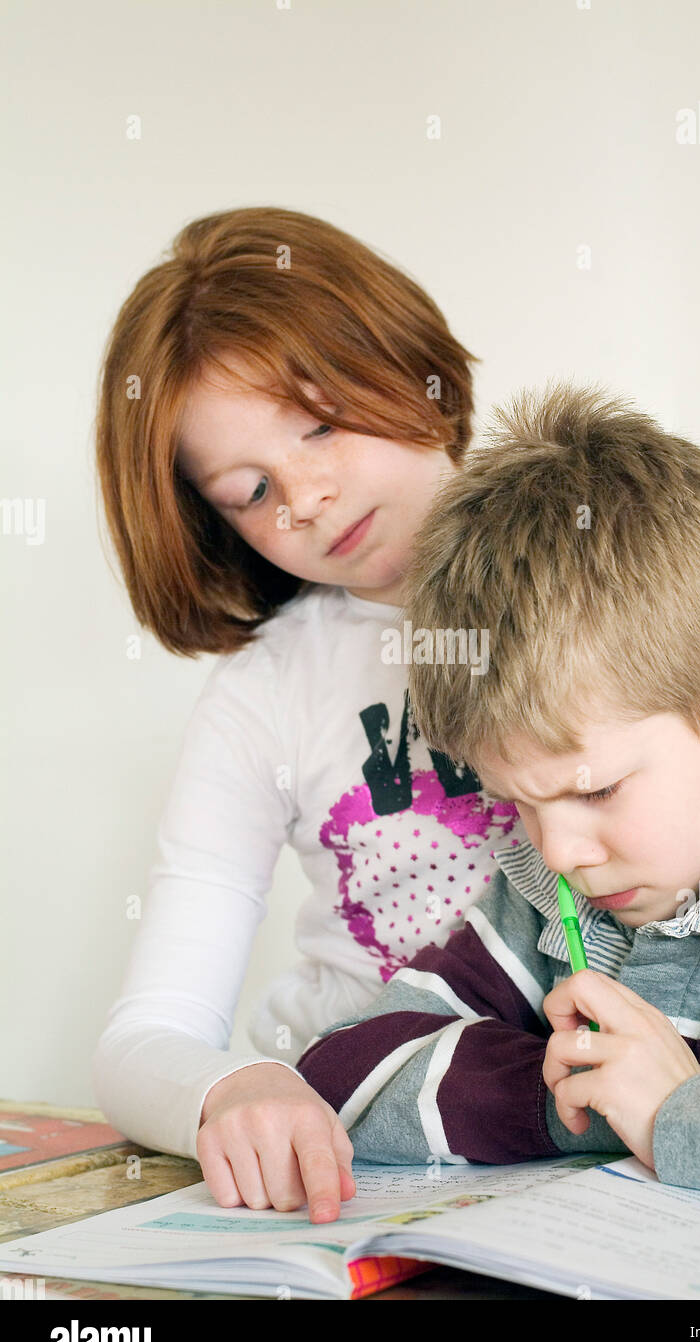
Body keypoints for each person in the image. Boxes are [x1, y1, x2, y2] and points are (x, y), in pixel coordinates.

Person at [296, 382, 700, 1220]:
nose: (557, 851)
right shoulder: (548, 901)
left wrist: (685, 1110)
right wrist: (585, 1092)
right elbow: (347, 1073)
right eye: (516, 803)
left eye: (595, 789)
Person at [90, 207, 525, 1222]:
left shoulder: (606, 564)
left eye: (321, 422)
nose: (309, 498)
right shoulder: (264, 694)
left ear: (394, 353)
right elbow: (144, 1036)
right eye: (250, 490)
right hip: (367, 1143)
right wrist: (234, 1086)